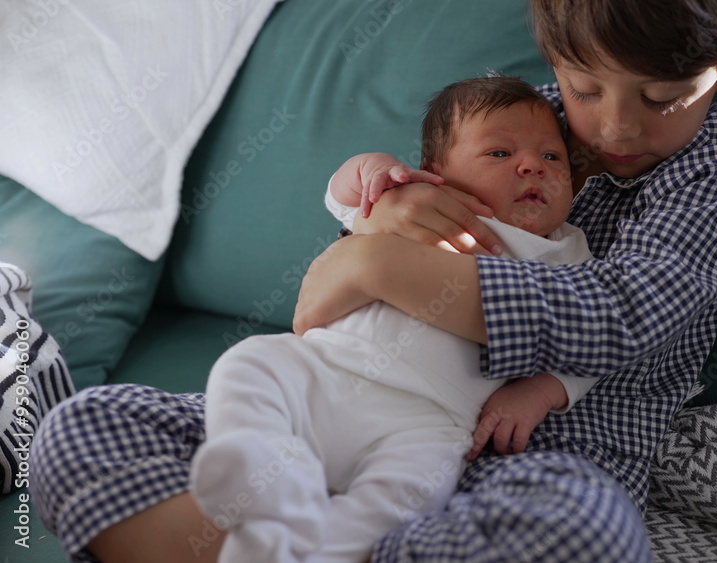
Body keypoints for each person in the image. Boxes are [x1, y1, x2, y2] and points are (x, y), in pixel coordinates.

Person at [30, 0, 717, 561]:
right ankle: (288, 532)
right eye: (583, 88)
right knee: (77, 430)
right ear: (557, 62)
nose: (614, 129)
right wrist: (387, 210)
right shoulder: (519, 119)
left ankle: (306, 542)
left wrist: (379, 265)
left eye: (660, 98)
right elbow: (364, 244)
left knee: (586, 526)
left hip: (518, 455)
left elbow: (622, 315)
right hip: (327, 406)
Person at [188, 76, 598, 563]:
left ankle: (315, 549)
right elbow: (342, 195)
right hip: (326, 369)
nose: (533, 166)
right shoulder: (418, 204)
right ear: (436, 170)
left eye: (552, 157)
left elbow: (590, 337)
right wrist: (374, 171)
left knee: (410, 493)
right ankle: (263, 466)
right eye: (499, 153)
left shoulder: (567, 250)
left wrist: (541, 391)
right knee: (250, 362)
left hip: (430, 419)